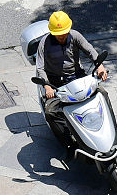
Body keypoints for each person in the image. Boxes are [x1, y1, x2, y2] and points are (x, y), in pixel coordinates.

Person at [35, 10, 108, 140]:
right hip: (55, 82)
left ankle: (110, 127)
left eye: (64, 33)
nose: (62, 36)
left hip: (77, 76)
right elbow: (40, 67)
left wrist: (100, 65)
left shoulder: (75, 36)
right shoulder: (44, 43)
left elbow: (90, 50)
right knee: (50, 112)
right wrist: (47, 86)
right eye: (58, 34)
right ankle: (67, 141)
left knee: (102, 94)